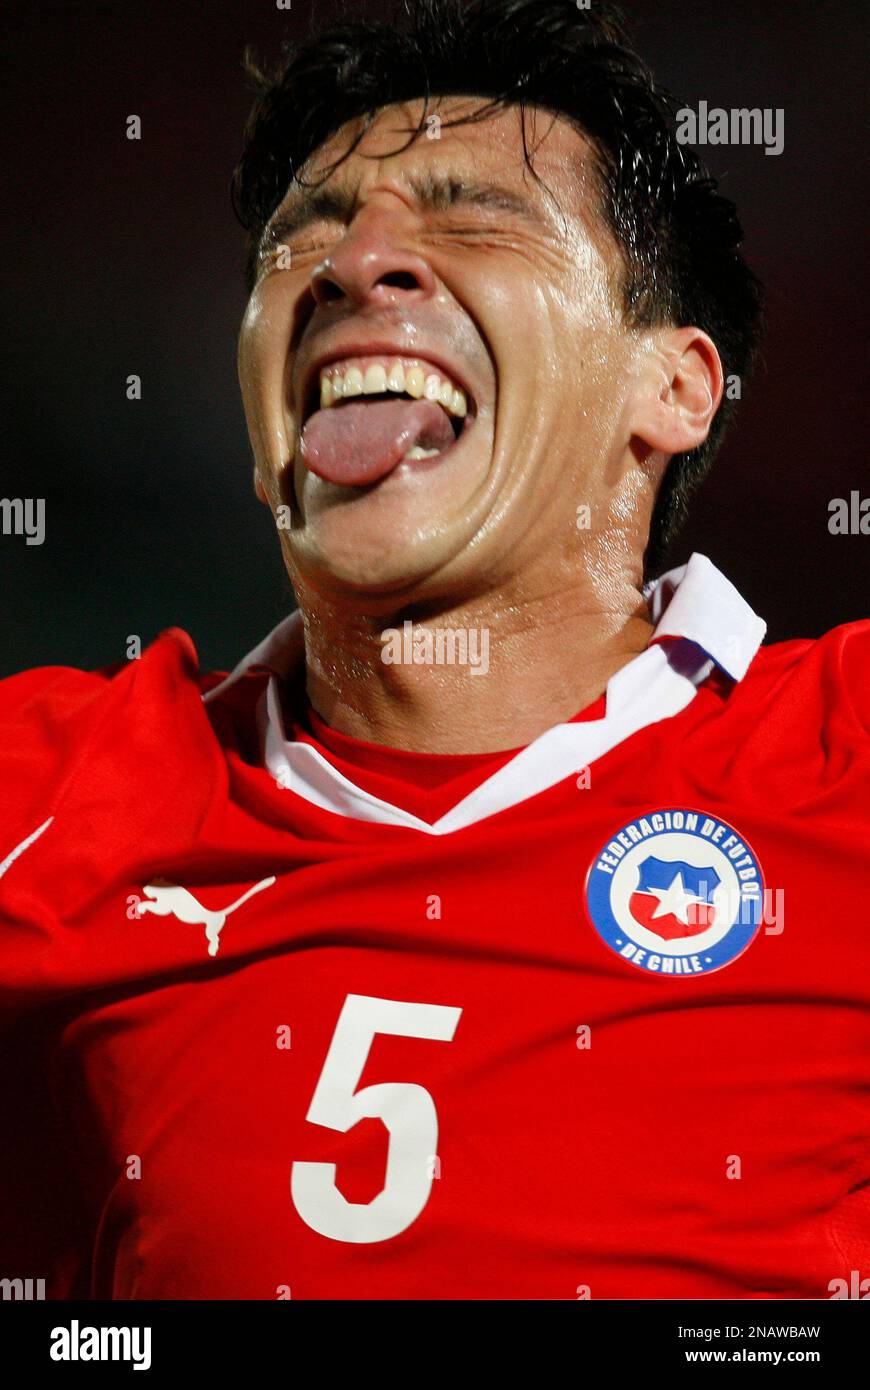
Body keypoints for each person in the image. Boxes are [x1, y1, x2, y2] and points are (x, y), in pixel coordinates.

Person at [1, 0, 867, 1300]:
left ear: (673, 386)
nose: (354, 265)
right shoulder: (45, 798)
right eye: (303, 239)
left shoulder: (843, 756)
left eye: (473, 220)